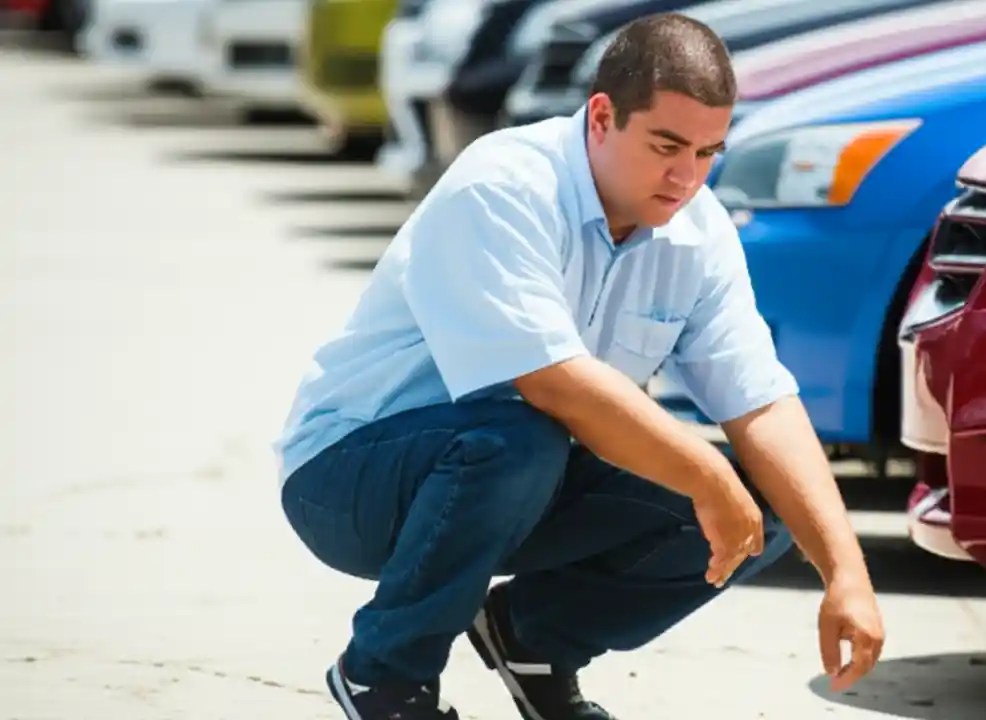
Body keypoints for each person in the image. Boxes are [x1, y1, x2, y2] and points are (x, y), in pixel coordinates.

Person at [275, 12, 885, 720]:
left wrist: (846, 573)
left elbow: (763, 405)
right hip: (349, 480)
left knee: (762, 507)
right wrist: (705, 470)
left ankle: (532, 640)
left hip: (510, 474)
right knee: (526, 435)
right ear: (601, 117)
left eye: (707, 152)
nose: (686, 176)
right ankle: (383, 673)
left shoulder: (699, 231)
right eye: (666, 145)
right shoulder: (502, 185)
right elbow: (551, 382)